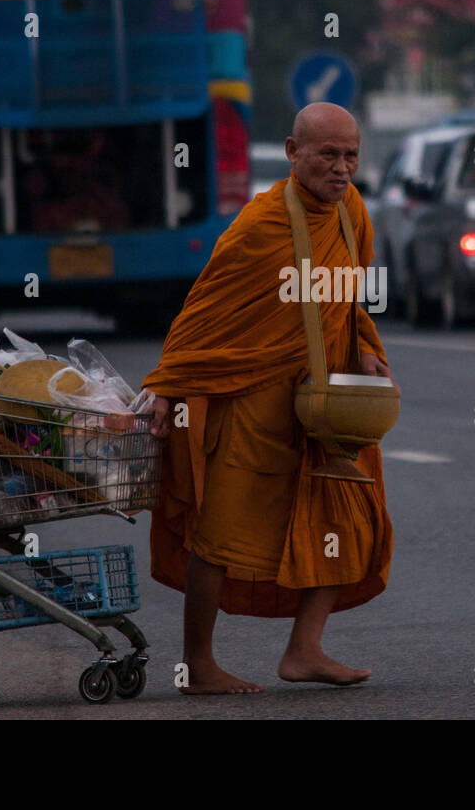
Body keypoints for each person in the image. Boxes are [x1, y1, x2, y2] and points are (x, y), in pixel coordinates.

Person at [141, 102, 396, 694]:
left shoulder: (351, 211)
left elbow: (350, 294)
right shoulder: (258, 226)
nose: (341, 169)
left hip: (324, 396)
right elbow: (204, 310)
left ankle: (304, 650)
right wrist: (165, 382)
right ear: (292, 152)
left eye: (351, 156)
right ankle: (199, 663)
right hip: (252, 396)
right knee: (220, 531)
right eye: (328, 155)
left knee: (344, 513)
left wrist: (365, 347)